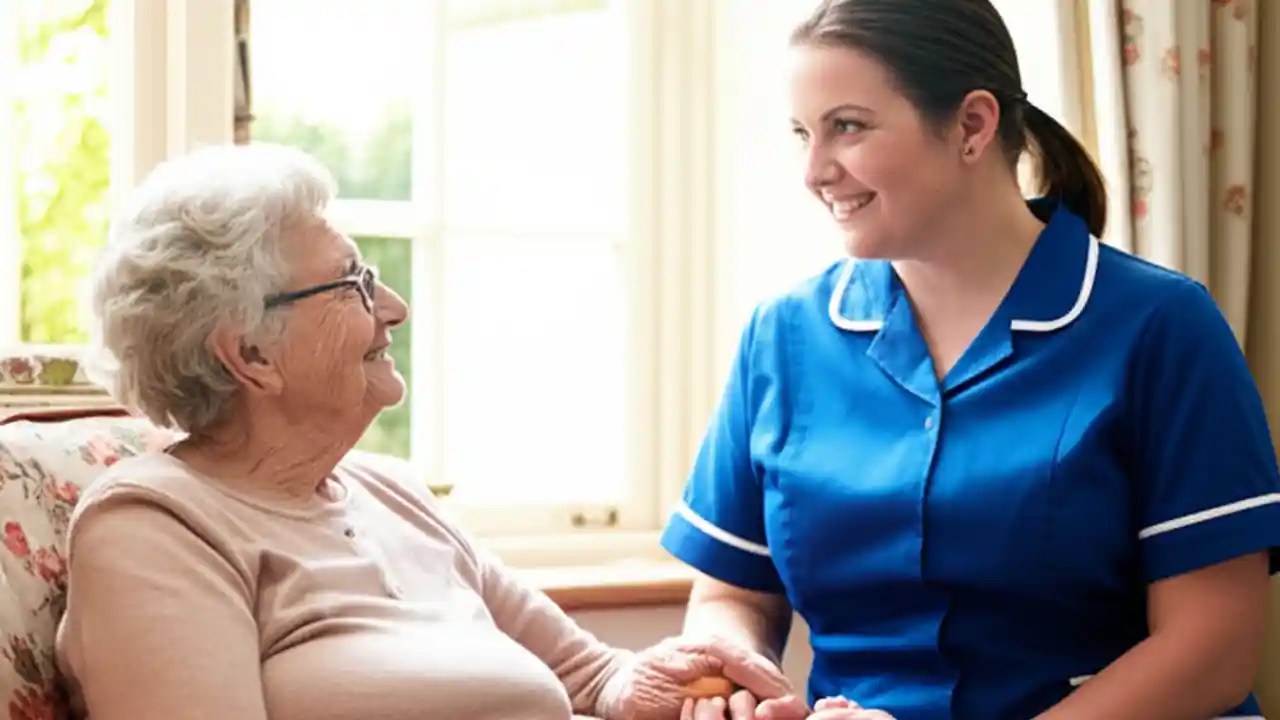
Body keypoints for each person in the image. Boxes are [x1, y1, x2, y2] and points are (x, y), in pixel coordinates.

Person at [660, 1, 1280, 719]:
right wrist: (728, 671)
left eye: (848, 127)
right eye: (802, 132)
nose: (813, 170)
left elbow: (1213, 649)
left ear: (973, 125)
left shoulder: (1162, 327)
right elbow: (732, 590)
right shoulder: (783, 336)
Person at [54, 143, 794, 720]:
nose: (394, 307)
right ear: (250, 354)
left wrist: (669, 680)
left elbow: (596, 677)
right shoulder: (156, 527)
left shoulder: (387, 489)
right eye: (353, 285)